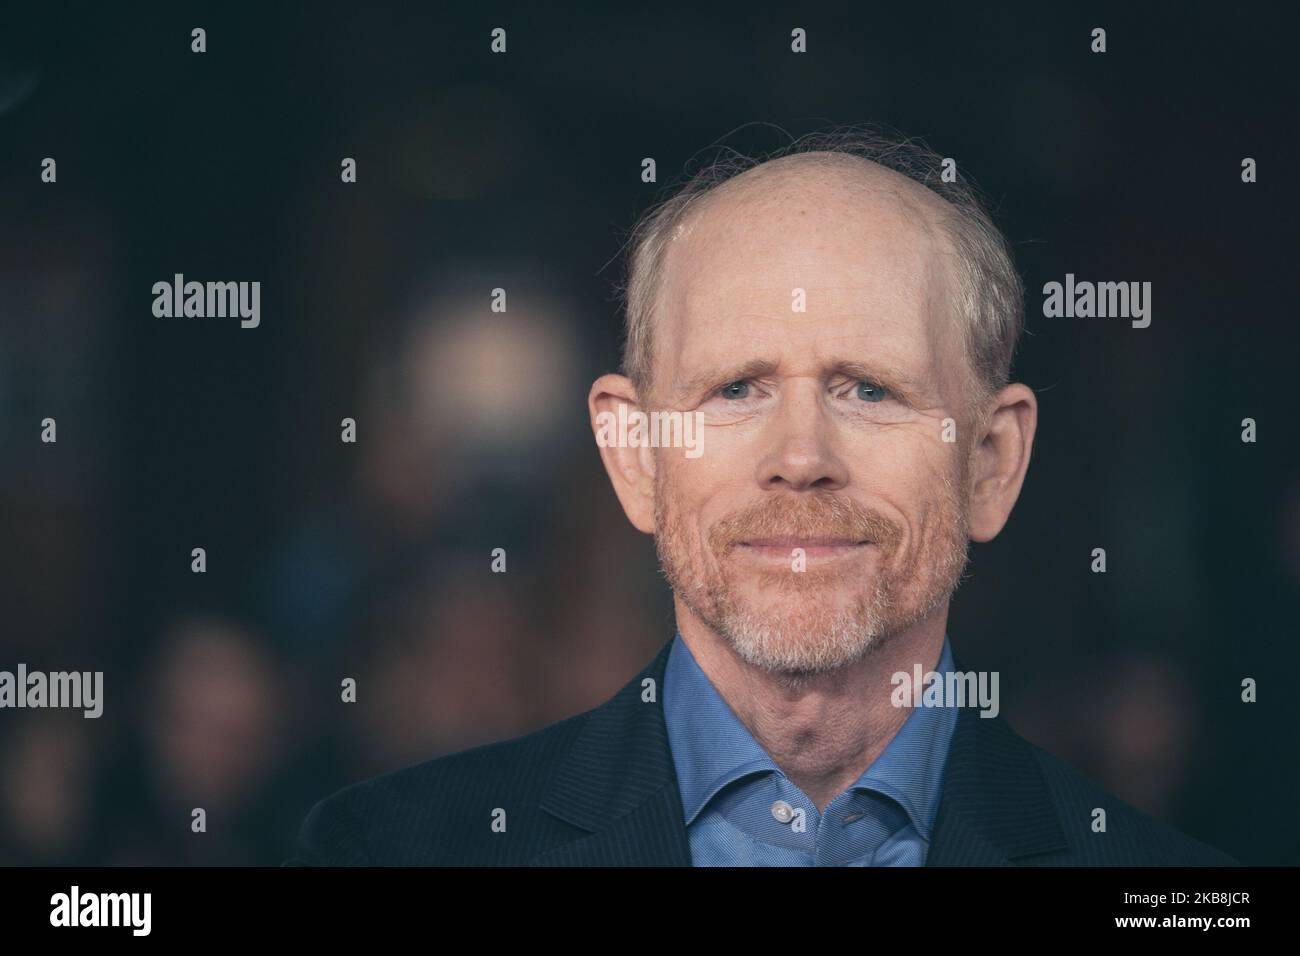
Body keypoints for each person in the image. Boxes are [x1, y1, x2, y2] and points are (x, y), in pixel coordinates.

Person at [287, 126, 1236, 866]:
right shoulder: (389, 852)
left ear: (990, 462)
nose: (799, 457)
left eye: (868, 388)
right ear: (636, 457)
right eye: (736, 388)